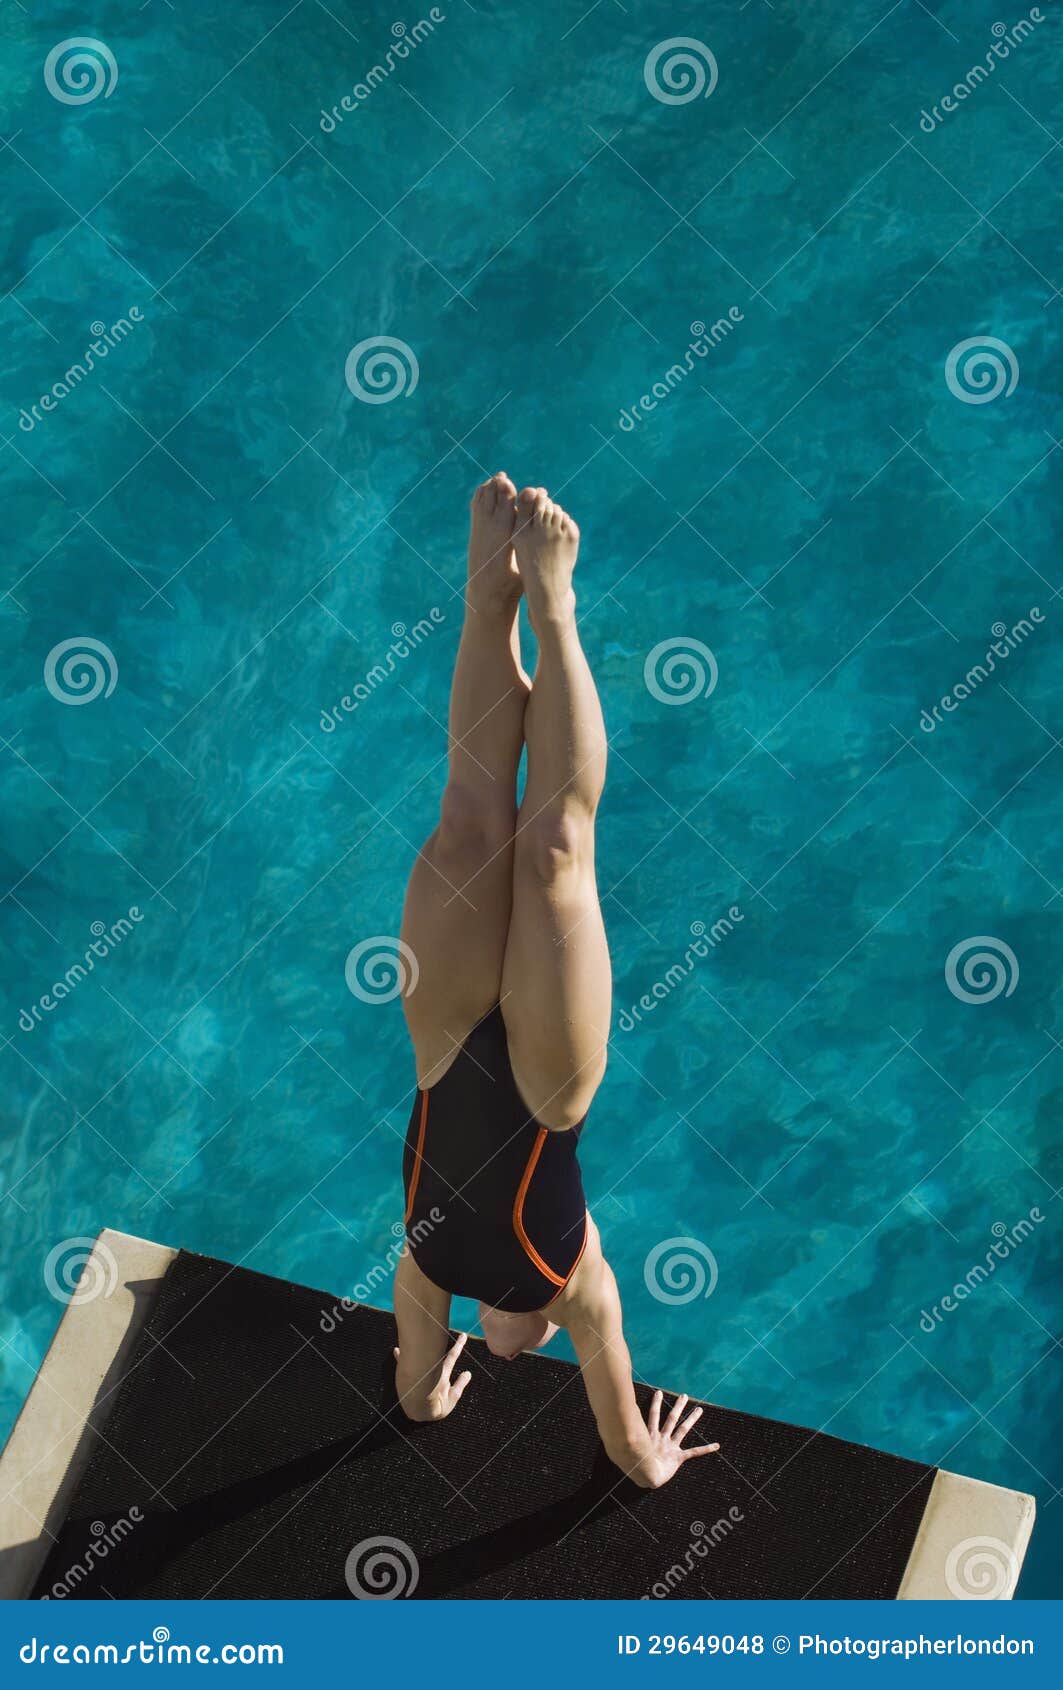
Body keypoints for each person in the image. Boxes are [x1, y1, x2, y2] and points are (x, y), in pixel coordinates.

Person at [392, 474, 718, 1489]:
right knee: (551, 853)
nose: (504, 1343)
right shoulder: (575, 1289)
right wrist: (652, 1455)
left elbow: (416, 1393)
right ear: (539, 1331)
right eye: (518, 1346)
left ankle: (487, 593)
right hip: (547, 1086)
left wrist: (430, 1397)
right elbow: (631, 1451)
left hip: (442, 1048)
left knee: (470, 824)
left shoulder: (427, 1271)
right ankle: (553, 608)